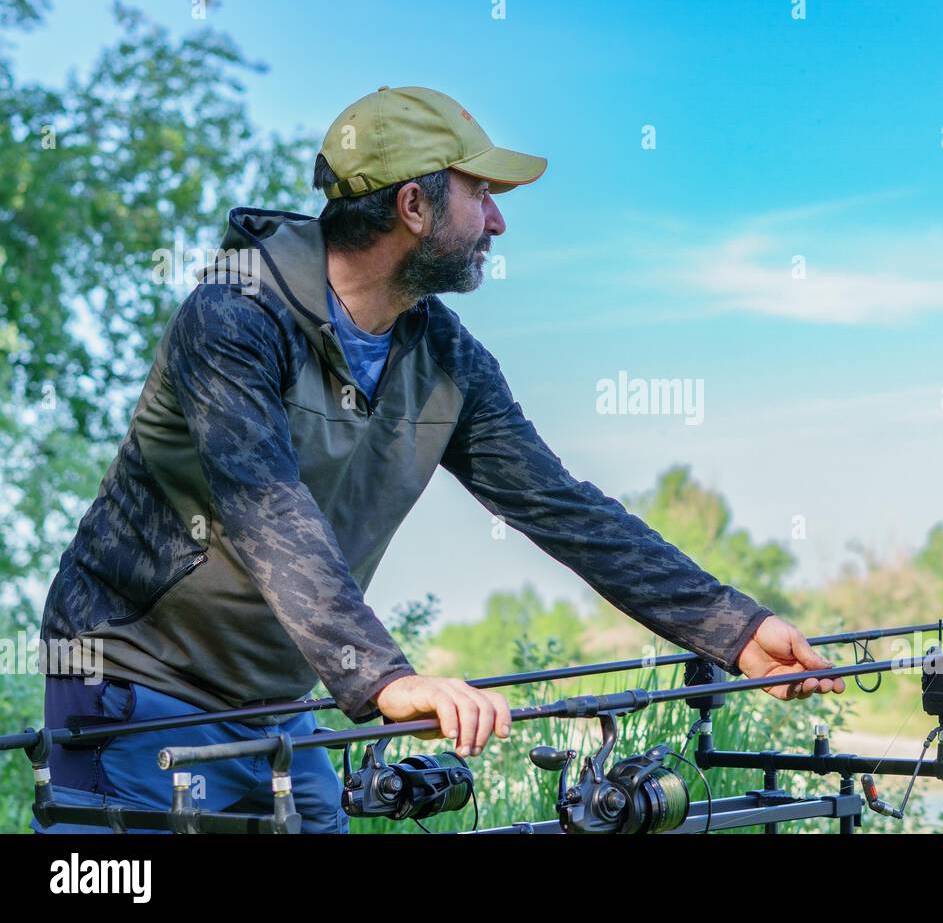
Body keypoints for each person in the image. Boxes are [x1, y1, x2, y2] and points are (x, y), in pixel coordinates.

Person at [34, 86, 844, 833]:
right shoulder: (233, 317)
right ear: (415, 206)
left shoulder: (445, 356)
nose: (498, 223)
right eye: (483, 195)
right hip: (133, 687)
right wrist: (384, 677)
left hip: (279, 702)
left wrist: (733, 629)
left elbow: (561, 506)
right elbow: (263, 506)